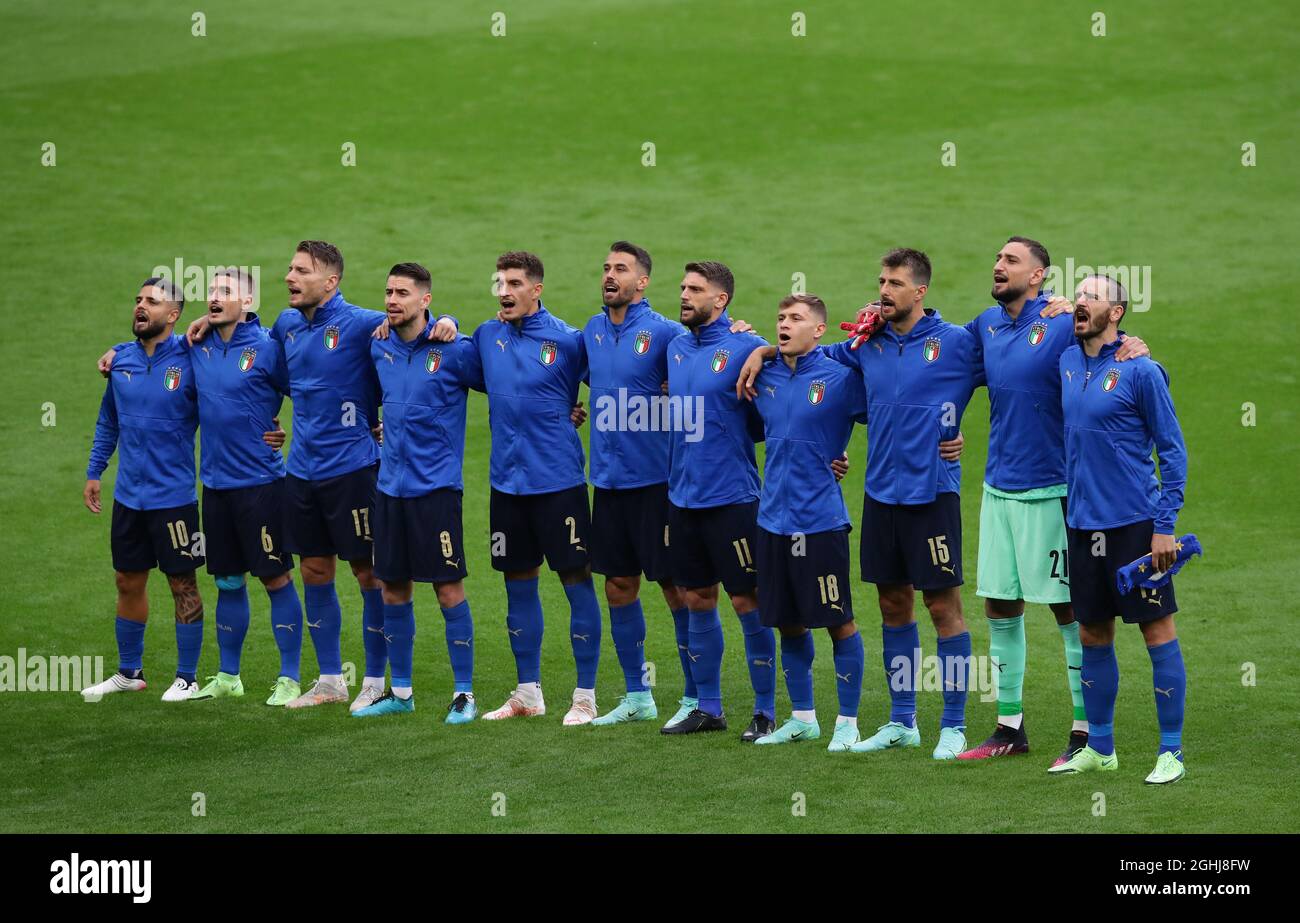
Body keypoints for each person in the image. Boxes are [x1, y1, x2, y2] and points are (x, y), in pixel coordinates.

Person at [1049, 274, 1189, 785]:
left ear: (1117, 314)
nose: (1081, 303)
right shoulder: (1066, 360)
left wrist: (1164, 526)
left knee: (1156, 632)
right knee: (1092, 635)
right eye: (1078, 296)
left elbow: (1172, 452)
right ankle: (1101, 747)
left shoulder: (1141, 370)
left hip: (1135, 525)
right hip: (1083, 524)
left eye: (1093, 298)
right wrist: (1055, 303)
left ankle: (1170, 752)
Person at [660, 261, 777, 740]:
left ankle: (766, 711)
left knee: (747, 600)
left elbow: (780, 404)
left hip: (732, 498)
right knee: (695, 598)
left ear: (721, 300)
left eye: (695, 290)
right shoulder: (674, 348)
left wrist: (766, 345)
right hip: (682, 497)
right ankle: (708, 707)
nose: (684, 295)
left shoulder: (747, 347)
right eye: (682, 287)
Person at [746, 294, 869, 750]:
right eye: (780, 317)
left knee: (838, 621)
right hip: (772, 519)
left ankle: (848, 722)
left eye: (795, 318)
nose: (784, 324)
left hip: (819, 521)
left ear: (819, 330)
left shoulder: (841, 378)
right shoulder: (764, 374)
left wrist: (946, 437)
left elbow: (888, 416)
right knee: (787, 622)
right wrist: (758, 350)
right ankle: (802, 717)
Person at [360, 262, 481, 722]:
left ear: (425, 300)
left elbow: (507, 386)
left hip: (436, 491)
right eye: (389, 291)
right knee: (391, 587)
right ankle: (403, 692)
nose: (392, 300)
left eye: (403, 294)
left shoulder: (454, 349)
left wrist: (454, 321)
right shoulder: (379, 346)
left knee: (448, 588)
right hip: (390, 489)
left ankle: (465, 694)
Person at [82, 278, 206, 702]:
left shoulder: (192, 358)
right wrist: (95, 470)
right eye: (137, 300)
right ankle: (129, 672)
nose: (140, 307)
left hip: (174, 499)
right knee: (127, 580)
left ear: (173, 316)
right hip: (129, 497)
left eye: (152, 302)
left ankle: (187, 677)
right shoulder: (120, 362)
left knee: (182, 584)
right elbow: (108, 422)